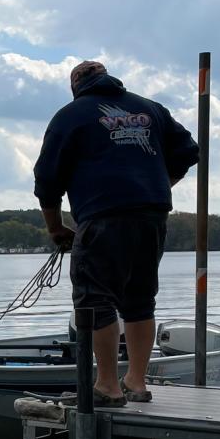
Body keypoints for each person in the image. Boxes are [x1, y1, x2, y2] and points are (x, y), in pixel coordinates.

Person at [33, 60, 199, 405]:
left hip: (103, 215)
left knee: (95, 299)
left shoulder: (71, 115)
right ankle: (136, 382)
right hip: (151, 215)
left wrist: (54, 227)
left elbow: (47, 180)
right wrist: (160, 185)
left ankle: (107, 385)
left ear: (76, 84)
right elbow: (188, 150)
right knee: (140, 298)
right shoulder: (149, 108)